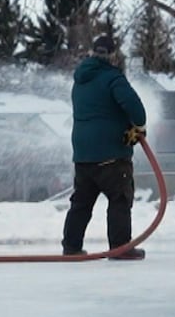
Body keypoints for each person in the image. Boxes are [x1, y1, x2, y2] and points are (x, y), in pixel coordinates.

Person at [61, 34, 147, 260]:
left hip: (82, 154)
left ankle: (71, 246)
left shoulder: (79, 81)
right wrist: (138, 127)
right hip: (111, 155)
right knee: (119, 199)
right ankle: (120, 247)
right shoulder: (113, 78)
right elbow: (136, 109)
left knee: (81, 202)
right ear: (112, 55)